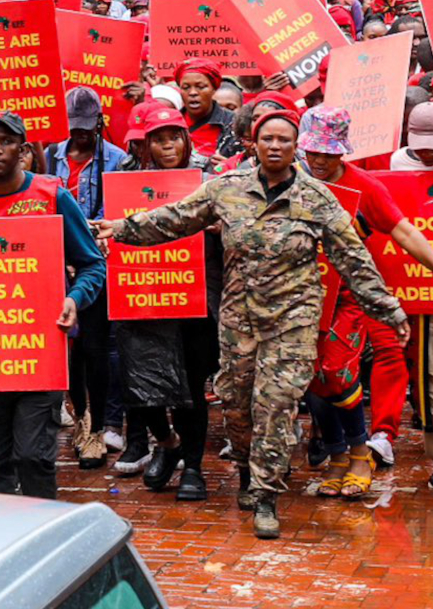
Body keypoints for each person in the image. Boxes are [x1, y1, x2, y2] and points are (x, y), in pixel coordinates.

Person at [96, 108, 407, 539]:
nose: (276, 146)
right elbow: (174, 218)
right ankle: (246, 468)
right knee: (238, 405)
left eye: (285, 139)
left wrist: (388, 310)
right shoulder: (226, 189)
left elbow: (354, 260)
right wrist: (121, 228)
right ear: (255, 144)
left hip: (293, 319)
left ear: (296, 146)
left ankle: (266, 494)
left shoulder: (317, 198)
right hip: (240, 318)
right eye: (268, 139)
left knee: (276, 405)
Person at [0, 94, 106, 501]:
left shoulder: (51, 197)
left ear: (24, 149)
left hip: (37, 349)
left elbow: (92, 264)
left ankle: (41, 531)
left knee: (34, 456)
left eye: (6, 141)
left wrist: (75, 299)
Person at [297, 106, 433, 480]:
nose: (320, 160)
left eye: (330, 152)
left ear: (343, 151)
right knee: (311, 377)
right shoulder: (289, 180)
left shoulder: (365, 186)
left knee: (336, 371)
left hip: (347, 296)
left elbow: (404, 232)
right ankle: (336, 450)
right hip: (298, 299)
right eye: (313, 151)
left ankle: (359, 448)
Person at [113, 103, 222, 501]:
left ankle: (193, 466)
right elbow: (106, 231)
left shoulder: (210, 180)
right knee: (142, 387)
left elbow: (238, 226)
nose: (168, 145)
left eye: (174, 136)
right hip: (142, 297)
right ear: (145, 146)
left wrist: (217, 226)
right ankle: (168, 442)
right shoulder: (123, 183)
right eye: (159, 139)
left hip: (195, 297)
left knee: (192, 387)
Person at [44, 88, 126, 469]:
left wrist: (84, 244)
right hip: (55, 265)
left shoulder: (117, 159)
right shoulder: (48, 157)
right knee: (70, 350)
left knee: (96, 347)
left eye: (86, 127)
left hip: (98, 263)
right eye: (73, 128)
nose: (80, 135)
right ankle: (82, 421)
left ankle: (100, 427)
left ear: (99, 123)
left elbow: (117, 208)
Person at [174, 60, 235, 157]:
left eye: (201, 87)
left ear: (214, 89)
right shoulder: (171, 124)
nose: (193, 93)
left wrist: (230, 165)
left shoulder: (233, 123)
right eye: (186, 88)